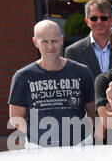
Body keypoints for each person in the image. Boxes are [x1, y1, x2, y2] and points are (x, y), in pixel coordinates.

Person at [8, 19, 96, 147]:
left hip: (79, 145)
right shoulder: (23, 76)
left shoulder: (82, 72)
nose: (50, 46)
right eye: (44, 41)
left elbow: (92, 112)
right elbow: (16, 117)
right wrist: (38, 137)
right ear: (35, 42)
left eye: (54, 40)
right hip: (38, 147)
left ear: (61, 40)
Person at [64, 0, 112, 75]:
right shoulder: (73, 52)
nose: (99, 22)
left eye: (103, 18)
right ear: (87, 21)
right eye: (94, 18)